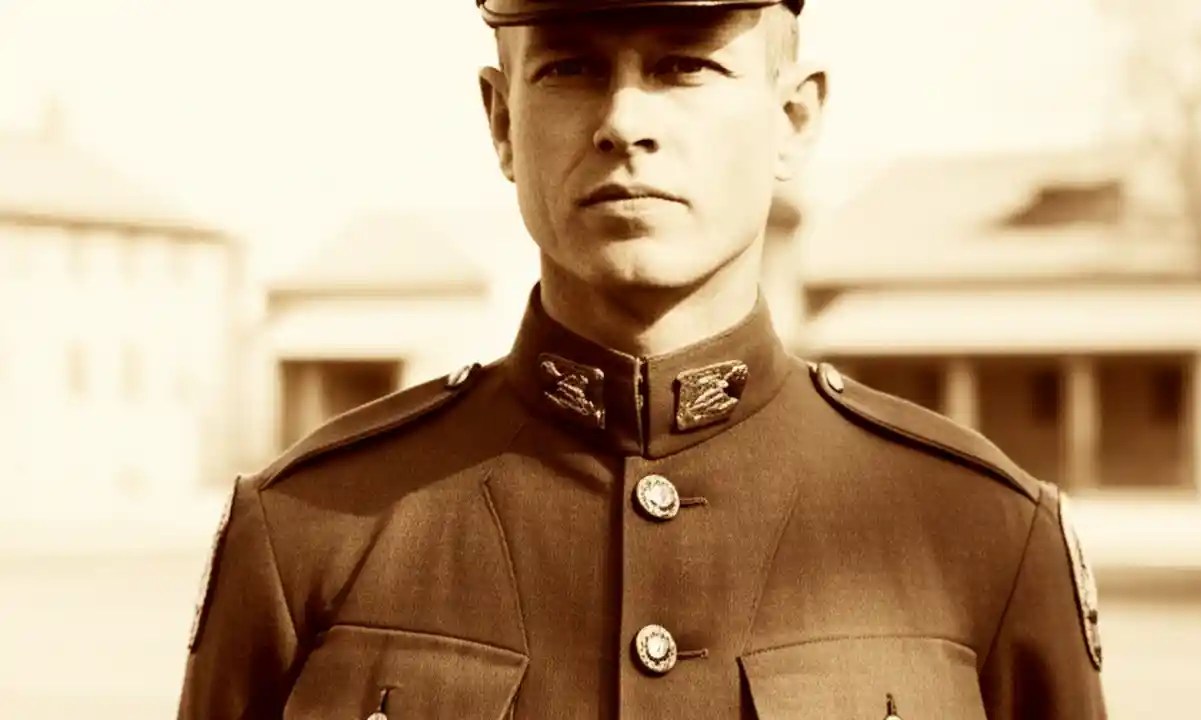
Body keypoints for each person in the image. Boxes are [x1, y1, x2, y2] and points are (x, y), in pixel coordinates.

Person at [179, 1, 1108, 717]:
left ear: (794, 118)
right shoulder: (310, 534)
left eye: (684, 64)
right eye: (572, 66)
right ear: (501, 121)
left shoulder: (980, 538)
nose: (625, 120)